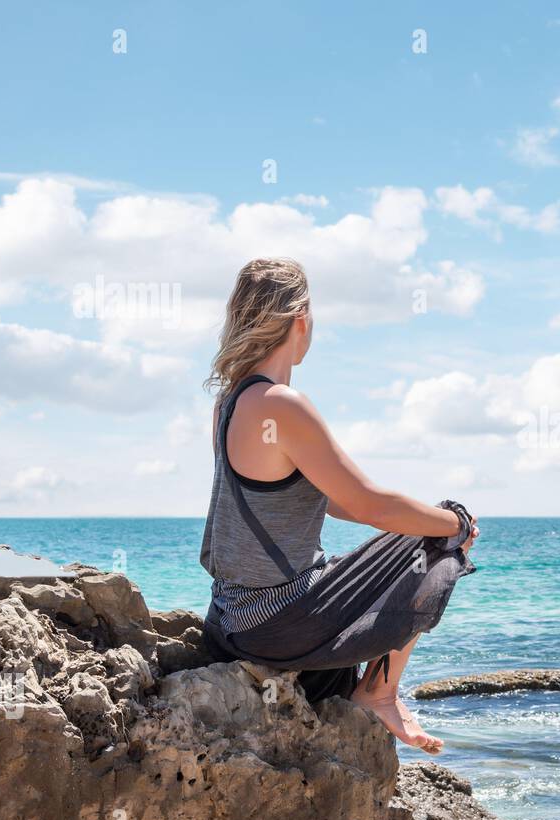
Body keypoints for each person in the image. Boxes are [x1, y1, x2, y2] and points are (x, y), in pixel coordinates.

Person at [199, 257, 476, 754]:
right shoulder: (281, 404)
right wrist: (455, 523)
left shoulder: (229, 404)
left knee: (423, 530)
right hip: (272, 624)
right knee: (436, 537)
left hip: (227, 620)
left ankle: (361, 687)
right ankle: (381, 692)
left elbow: (329, 502)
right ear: (300, 319)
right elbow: (370, 504)